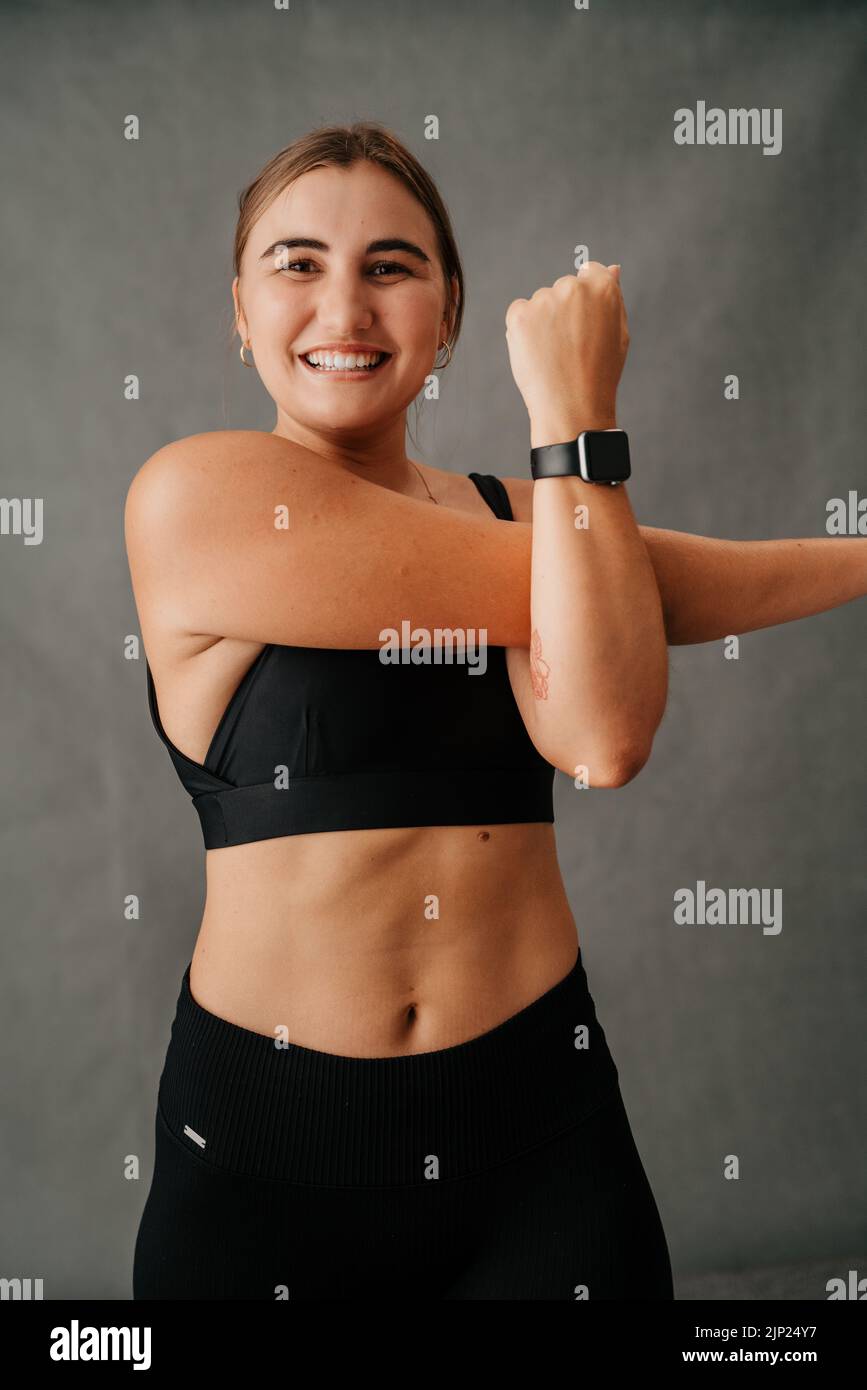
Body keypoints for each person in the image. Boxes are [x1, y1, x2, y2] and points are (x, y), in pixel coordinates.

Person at [126, 122, 866, 1301]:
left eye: (391, 266)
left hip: (540, 1136)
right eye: (298, 262)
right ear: (238, 306)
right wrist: (577, 415)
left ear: (452, 309)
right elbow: (619, 588)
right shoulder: (198, 498)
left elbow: (604, 734)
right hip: (270, 1156)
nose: (345, 307)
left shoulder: (547, 521)